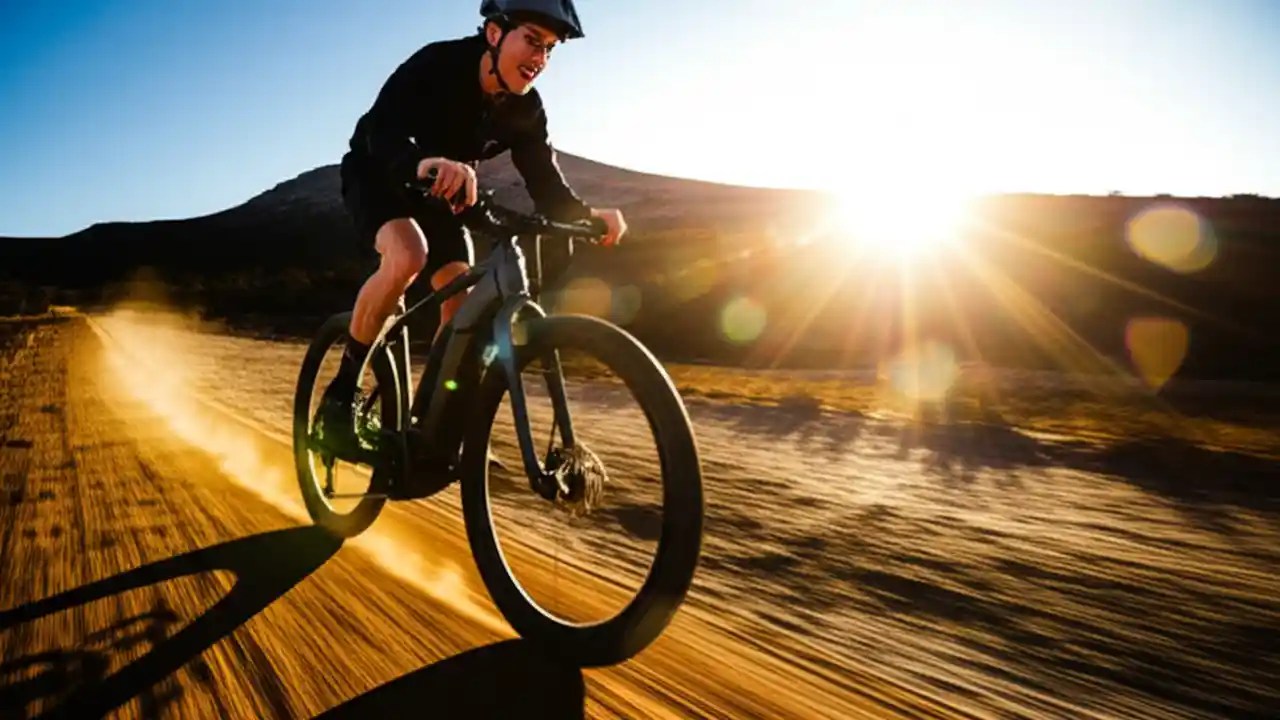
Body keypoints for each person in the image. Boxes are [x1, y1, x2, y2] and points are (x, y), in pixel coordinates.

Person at [319, 0, 628, 453]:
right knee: (408, 255)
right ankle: (340, 397)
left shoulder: (526, 110)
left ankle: (428, 425)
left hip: (442, 193)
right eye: (532, 41)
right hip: (378, 173)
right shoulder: (437, 63)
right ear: (494, 34)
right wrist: (423, 161)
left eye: (550, 50)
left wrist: (585, 215)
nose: (540, 59)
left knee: (461, 302)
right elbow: (378, 133)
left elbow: (543, 177)